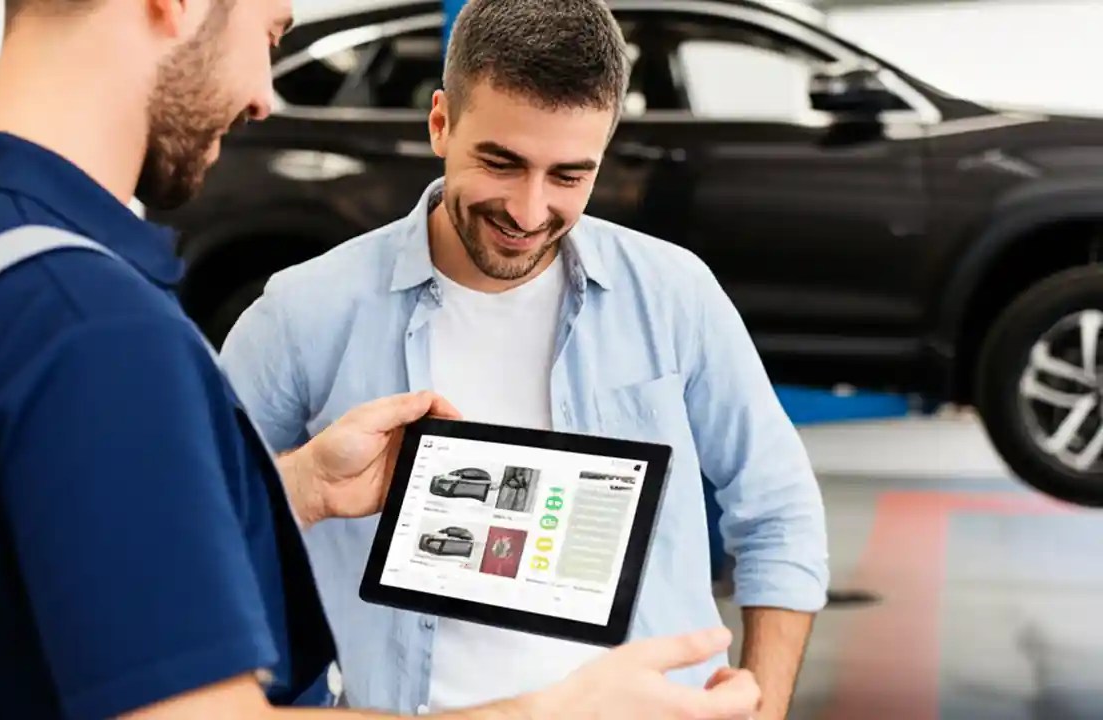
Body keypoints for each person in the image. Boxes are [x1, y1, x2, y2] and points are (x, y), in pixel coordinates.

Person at [0, 0, 764, 718]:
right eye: (270, 30)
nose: (264, 93)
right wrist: (552, 713)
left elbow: (32, 587)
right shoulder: (94, 328)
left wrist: (297, 488)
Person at [218, 0, 831, 719]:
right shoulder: (304, 313)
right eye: (501, 163)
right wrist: (302, 482)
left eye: (568, 176)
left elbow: (779, 510)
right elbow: (196, 530)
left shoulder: (673, 295)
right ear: (441, 123)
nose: (529, 212)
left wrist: (766, 705)